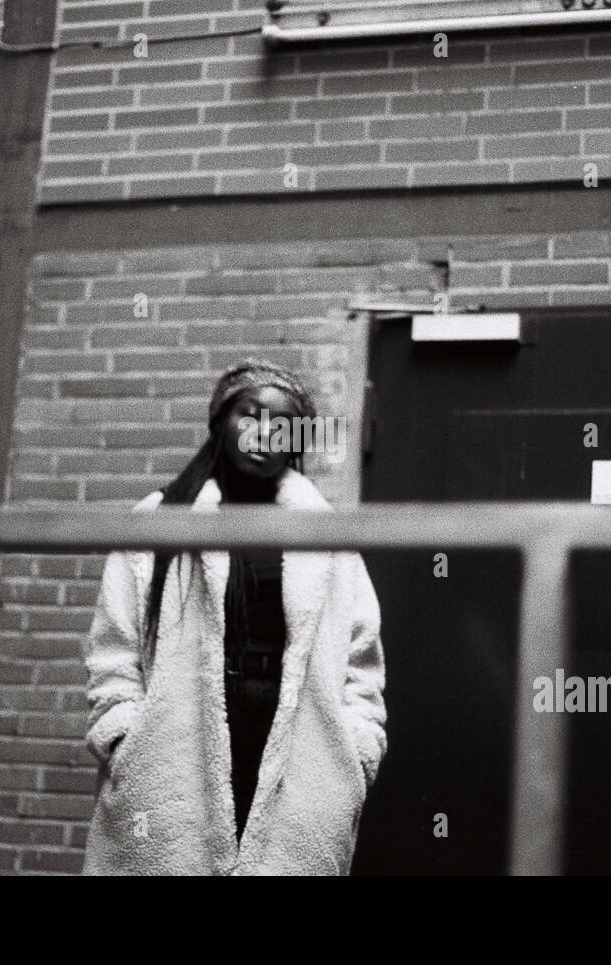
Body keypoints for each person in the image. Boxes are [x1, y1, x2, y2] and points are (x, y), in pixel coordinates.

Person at [79, 358, 387, 875]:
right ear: (221, 421)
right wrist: (125, 739)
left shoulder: (329, 538)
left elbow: (362, 661)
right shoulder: (161, 521)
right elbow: (115, 648)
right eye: (251, 414)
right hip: (177, 752)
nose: (265, 433)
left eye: (284, 424)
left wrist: (356, 753)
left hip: (298, 756)